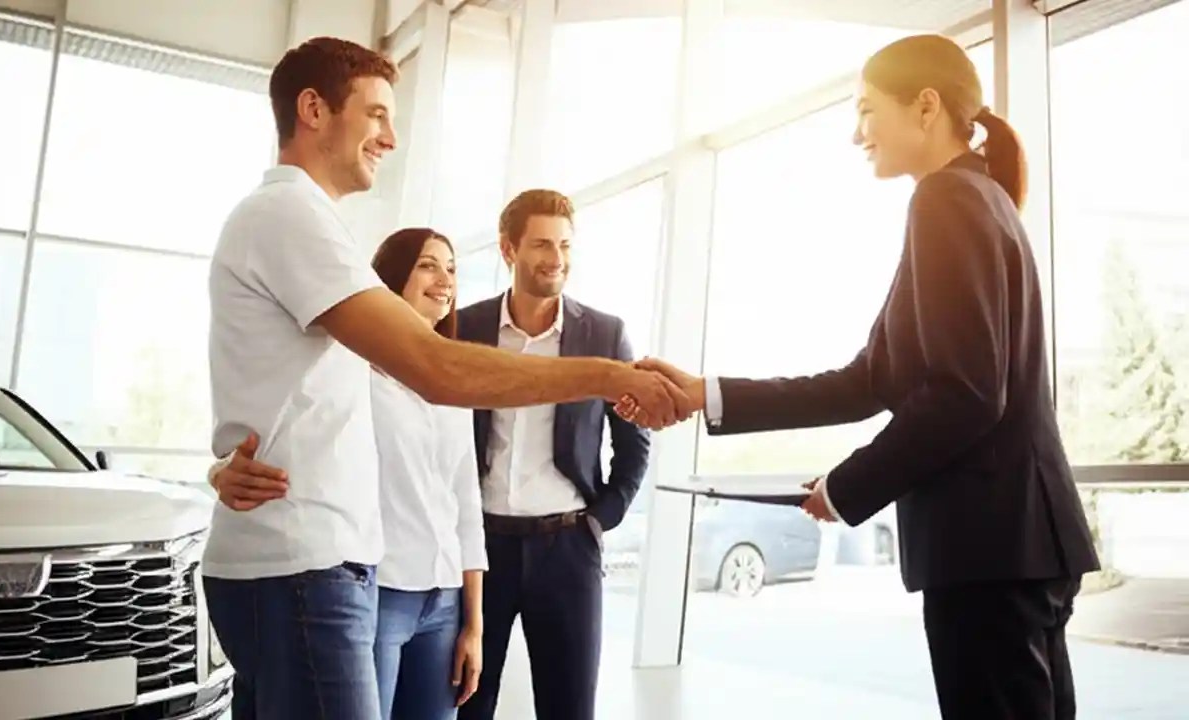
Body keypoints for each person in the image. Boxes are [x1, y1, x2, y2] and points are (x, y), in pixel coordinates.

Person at [202, 36, 688, 720]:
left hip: (315, 562)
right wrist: (612, 376)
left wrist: (223, 461)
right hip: (303, 564)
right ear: (313, 109)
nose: (391, 137)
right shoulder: (291, 216)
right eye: (375, 115)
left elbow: (293, 395)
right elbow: (437, 368)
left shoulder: (304, 222)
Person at [629, 34, 1100, 720]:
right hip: (1019, 543)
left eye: (868, 111)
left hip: (989, 548)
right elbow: (869, 380)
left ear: (927, 106)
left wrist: (849, 487)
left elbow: (967, 394)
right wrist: (706, 393)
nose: (858, 134)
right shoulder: (978, 197)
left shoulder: (947, 200)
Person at [214, 228, 487, 720]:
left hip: (443, 600)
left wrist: (475, 623)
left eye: (451, 267)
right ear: (392, 275)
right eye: (428, 265)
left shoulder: (454, 388)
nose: (444, 279)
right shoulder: (351, 369)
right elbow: (289, 433)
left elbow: (466, 503)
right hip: (379, 593)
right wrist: (219, 469)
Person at [455, 190, 651, 720]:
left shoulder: (604, 334)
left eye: (565, 245)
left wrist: (600, 519)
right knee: (466, 703)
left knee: (569, 709)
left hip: (567, 546)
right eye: (542, 244)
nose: (556, 258)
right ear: (508, 249)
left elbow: (634, 442)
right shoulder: (465, 328)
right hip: (480, 548)